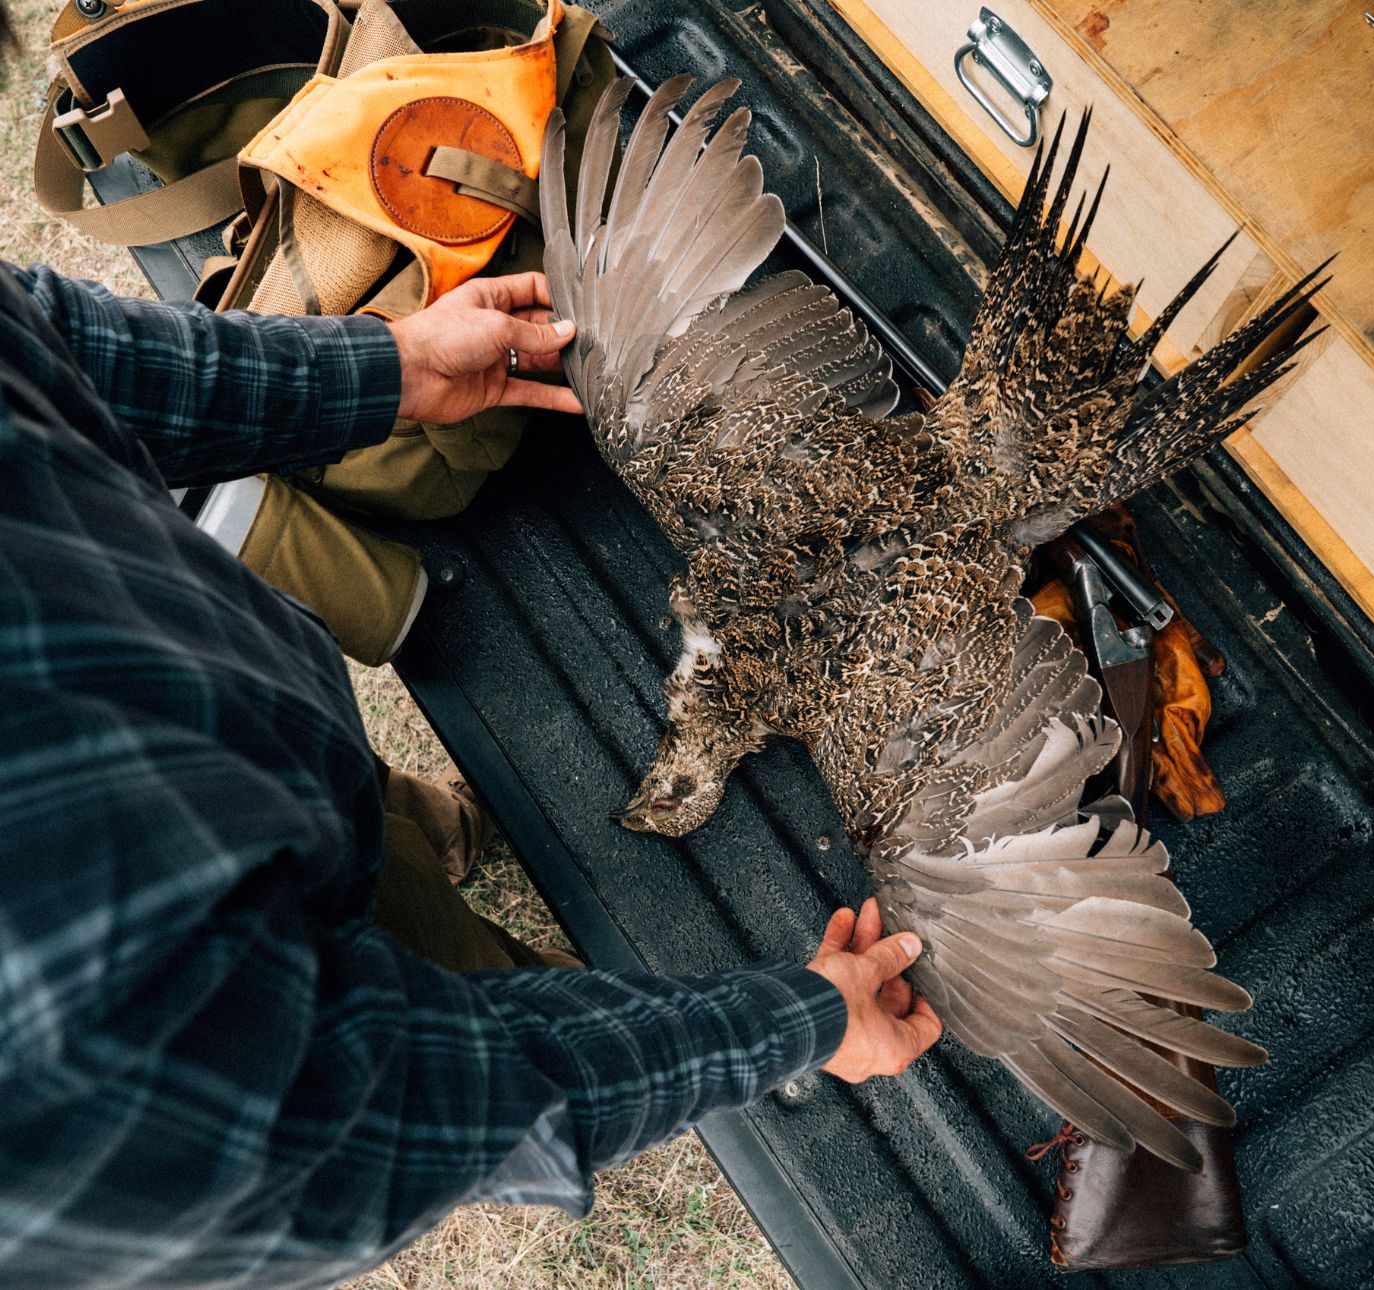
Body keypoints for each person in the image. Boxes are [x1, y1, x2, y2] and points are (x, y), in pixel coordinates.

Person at [0, 161, 941, 1290]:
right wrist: (791, 1021)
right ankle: (446, 913)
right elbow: (381, 1120)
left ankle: (428, 834)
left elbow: (50, 348)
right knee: (447, 978)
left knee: (372, 833)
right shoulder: (54, 1052)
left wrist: (381, 370)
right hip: (235, 992)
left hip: (227, 749)